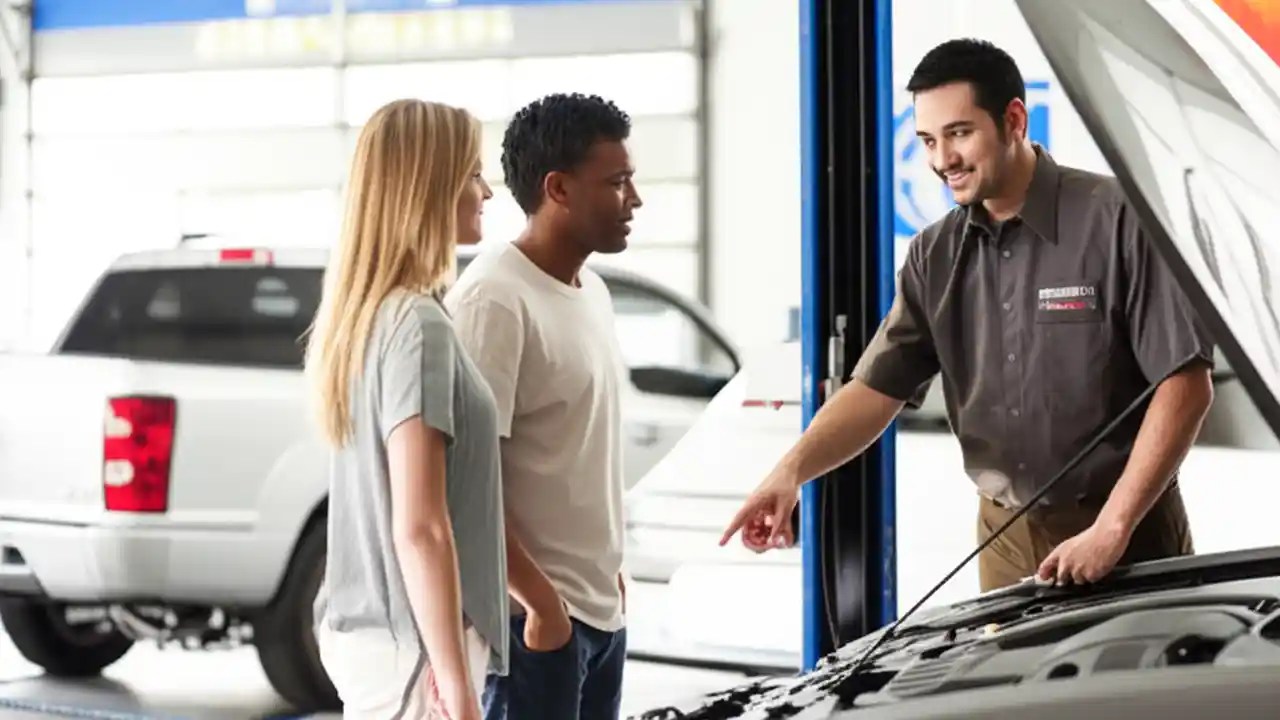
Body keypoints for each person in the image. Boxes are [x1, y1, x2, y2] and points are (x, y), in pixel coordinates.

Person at [720, 38, 1217, 592]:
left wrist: (1113, 525)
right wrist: (791, 471)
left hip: (1129, 532)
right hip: (1004, 537)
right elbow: (875, 388)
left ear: (1014, 119)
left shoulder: (1120, 220)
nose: (941, 160)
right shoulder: (933, 256)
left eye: (958, 134)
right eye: (928, 141)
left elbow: (1186, 385)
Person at [305, 98, 507, 720]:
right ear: (430, 188)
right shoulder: (416, 325)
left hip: (384, 642)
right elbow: (420, 525)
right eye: (473, 174)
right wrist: (455, 680)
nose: (487, 192)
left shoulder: (367, 317)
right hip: (416, 649)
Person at [444, 92, 642, 720]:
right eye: (616, 183)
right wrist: (540, 602)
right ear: (557, 188)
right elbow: (462, 482)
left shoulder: (594, 291)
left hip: (598, 615)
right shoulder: (494, 300)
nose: (634, 201)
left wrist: (605, 574)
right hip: (538, 628)